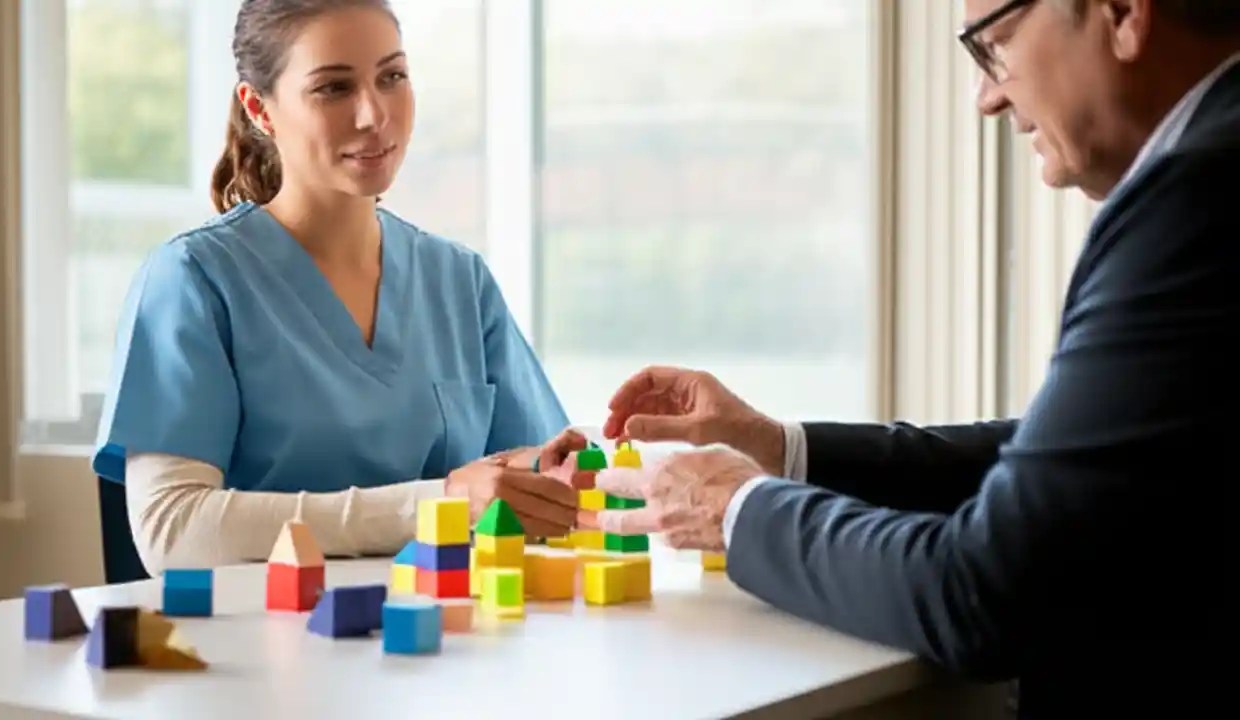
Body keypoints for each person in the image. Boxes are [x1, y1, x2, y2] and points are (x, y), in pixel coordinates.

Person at [544, 0, 1237, 717]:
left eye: (995, 42)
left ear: (1122, 12)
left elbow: (987, 592)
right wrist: (781, 449)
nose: (988, 96)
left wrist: (737, 508)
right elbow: (1069, 468)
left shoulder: (1196, 198)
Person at [92, 0, 578, 575]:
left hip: (452, 645)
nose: (374, 115)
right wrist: (436, 504)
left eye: (392, 77)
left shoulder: (459, 281)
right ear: (260, 109)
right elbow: (172, 530)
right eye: (333, 89)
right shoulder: (193, 280)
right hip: (270, 652)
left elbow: (544, 491)